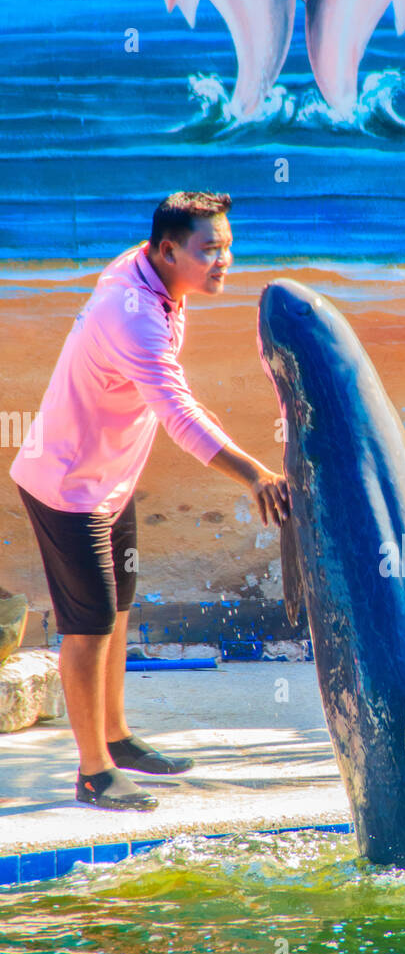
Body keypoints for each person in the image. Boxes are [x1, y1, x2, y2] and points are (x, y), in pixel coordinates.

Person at [9, 190, 290, 812]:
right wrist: (255, 475)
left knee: (119, 608)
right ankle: (91, 772)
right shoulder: (133, 312)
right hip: (68, 486)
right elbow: (179, 415)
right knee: (87, 625)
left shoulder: (148, 272)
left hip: (110, 480)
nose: (224, 261)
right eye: (208, 250)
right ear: (167, 250)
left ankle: (115, 737)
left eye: (228, 247)